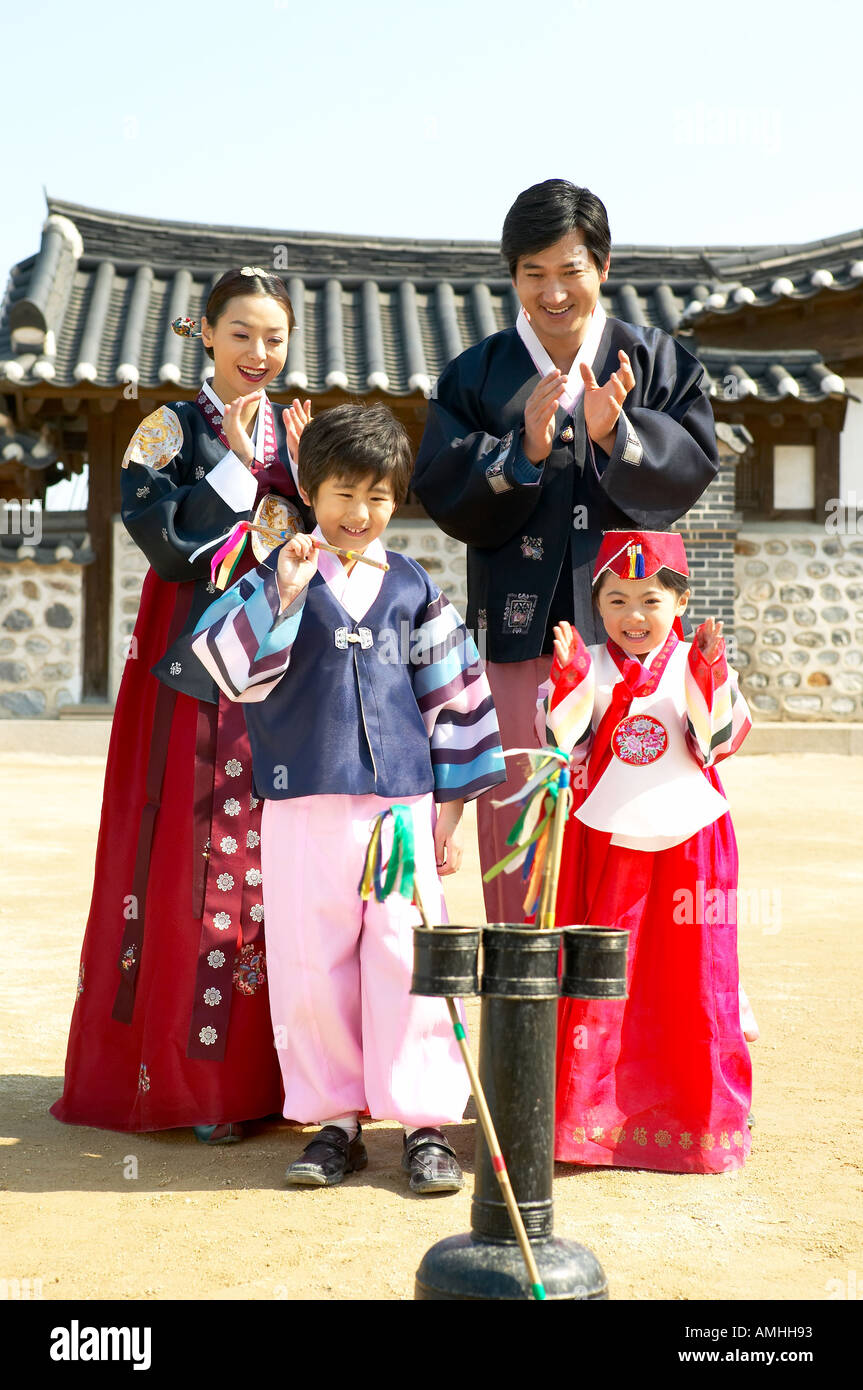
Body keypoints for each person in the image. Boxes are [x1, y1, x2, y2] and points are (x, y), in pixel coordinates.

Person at [190, 403, 505, 1191]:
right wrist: (284, 594)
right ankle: (333, 1123)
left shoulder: (413, 586)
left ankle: (425, 1122)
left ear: (397, 500)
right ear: (308, 489)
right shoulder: (274, 572)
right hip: (303, 802)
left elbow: (454, 699)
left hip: (401, 805)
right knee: (310, 959)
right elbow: (228, 672)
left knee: (407, 954)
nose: (358, 514)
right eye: (341, 494)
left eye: (377, 496)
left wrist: (451, 814)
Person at [411, 179, 720, 924]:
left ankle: (620, 1014)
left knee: (634, 813)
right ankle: (529, 1012)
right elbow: (441, 487)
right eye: (532, 274)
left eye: (569, 269)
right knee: (519, 811)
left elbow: (691, 469)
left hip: (634, 640)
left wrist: (621, 436)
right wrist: (522, 452)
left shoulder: (657, 361)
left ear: (603, 265)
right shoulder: (475, 376)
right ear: (511, 275)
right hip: (517, 640)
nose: (552, 293)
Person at [51, 267, 312, 1141]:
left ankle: (277, 1076)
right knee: (195, 849)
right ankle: (190, 1078)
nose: (258, 353)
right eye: (240, 333)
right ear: (204, 333)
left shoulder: (296, 433)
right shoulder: (167, 430)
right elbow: (165, 548)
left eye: (273, 337)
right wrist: (236, 468)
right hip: (189, 674)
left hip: (278, 673)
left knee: (274, 857)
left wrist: (314, 488)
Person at [539, 530, 753, 1174]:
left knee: (695, 972)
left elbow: (719, 741)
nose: (634, 616)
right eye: (616, 600)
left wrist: (709, 676)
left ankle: (694, 1116)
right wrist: (571, 681)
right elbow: (560, 747)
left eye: (651, 600)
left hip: (692, 846)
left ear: (680, 601)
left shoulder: (698, 659)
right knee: (606, 970)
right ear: (596, 604)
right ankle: (591, 1115)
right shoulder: (592, 663)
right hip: (608, 845)